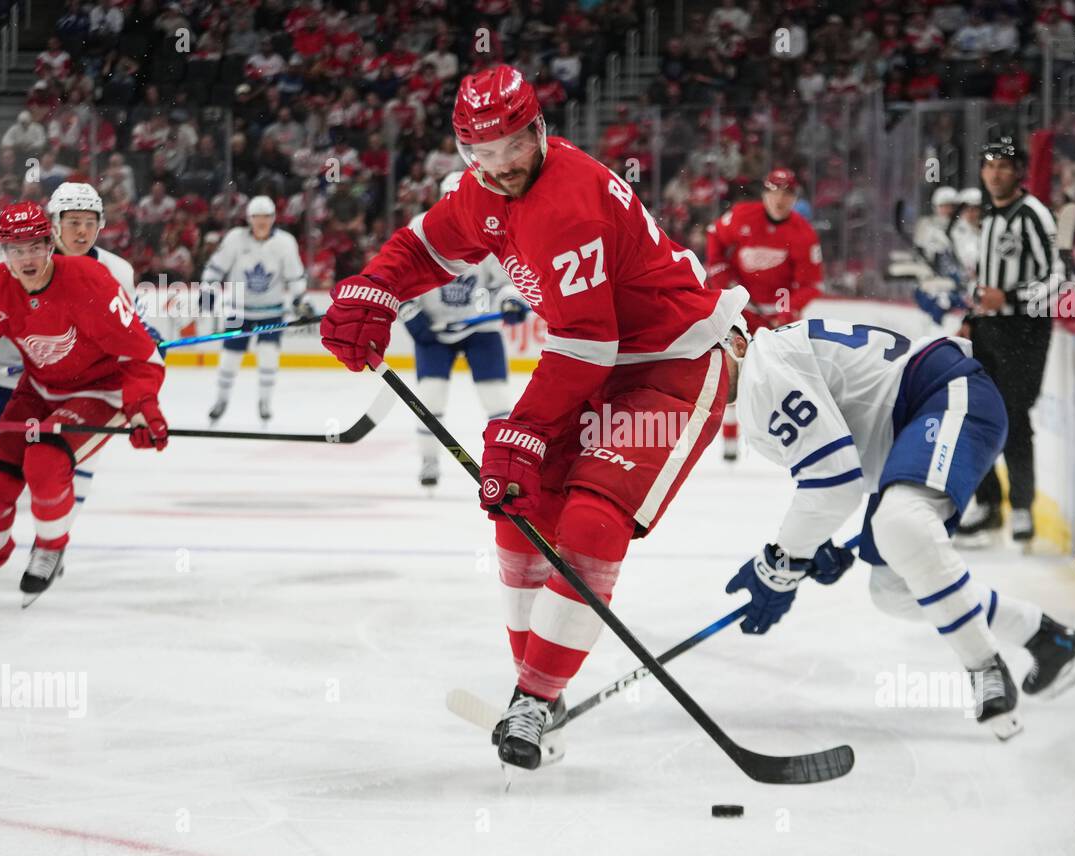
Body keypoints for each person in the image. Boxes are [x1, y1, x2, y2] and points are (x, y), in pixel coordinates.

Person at [318, 65, 745, 771]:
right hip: (602, 362)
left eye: (516, 144)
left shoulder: (567, 203)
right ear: (464, 154)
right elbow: (426, 246)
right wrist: (375, 287)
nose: (504, 164)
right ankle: (536, 694)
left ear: (539, 131)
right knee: (517, 498)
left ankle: (535, 694)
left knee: (592, 518)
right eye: (484, 154)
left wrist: (524, 426)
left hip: (675, 360)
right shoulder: (481, 191)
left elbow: (587, 340)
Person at [718, 315, 1075, 738]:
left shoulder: (762, 372)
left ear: (737, 343)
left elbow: (834, 485)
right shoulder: (770, 367)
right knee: (893, 591)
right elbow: (836, 467)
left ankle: (983, 666)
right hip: (911, 429)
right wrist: (810, 551)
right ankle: (1048, 639)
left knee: (900, 523)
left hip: (946, 396)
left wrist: (782, 564)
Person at [0, 202, 167, 605]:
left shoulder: (89, 281)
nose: (26, 258)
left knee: (45, 462)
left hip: (100, 390)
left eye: (35, 246)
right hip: (40, 387)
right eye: (16, 249)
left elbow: (140, 354)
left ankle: (50, 546)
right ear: (3, 253)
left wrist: (143, 409)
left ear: (50, 245)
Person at [0, 175, 141, 532]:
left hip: (80, 388)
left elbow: (126, 334)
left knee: (69, 462)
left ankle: (55, 542)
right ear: (52, 223)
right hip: (8, 385)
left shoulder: (116, 271)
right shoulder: (1, 259)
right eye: (72, 222)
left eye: (90, 223)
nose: (82, 232)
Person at [958, 138, 1062, 545]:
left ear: (1018, 170)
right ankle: (988, 505)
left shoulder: (1034, 215)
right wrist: (972, 316)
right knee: (978, 414)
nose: (995, 173)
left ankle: (1021, 508)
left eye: (1003, 165)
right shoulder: (989, 216)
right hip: (989, 329)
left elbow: (1058, 277)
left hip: (1025, 330)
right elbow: (987, 279)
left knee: (1013, 416)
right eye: (989, 166)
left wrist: (1013, 298)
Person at [402, 173, 530, 488]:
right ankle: (429, 460)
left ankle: (505, 465)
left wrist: (511, 301)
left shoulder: (491, 227)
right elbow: (400, 281)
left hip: (480, 326)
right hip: (435, 328)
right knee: (430, 398)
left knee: (497, 399)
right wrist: (412, 316)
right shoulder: (419, 230)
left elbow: (507, 280)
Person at [706, 167, 824, 460]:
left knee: (775, 378)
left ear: (795, 198)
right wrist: (718, 268)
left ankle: (777, 440)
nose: (779, 199)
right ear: (764, 193)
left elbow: (811, 284)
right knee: (732, 368)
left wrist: (786, 311)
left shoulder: (803, 234)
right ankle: (730, 440)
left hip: (776, 318)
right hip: (741, 309)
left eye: (786, 193)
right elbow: (714, 236)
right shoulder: (743, 216)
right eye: (774, 192)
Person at [204, 195, 310, 423]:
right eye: (257, 217)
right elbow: (216, 268)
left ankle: (265, 403)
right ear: (249, 218)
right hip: (238, 311)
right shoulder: (235, 239)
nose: (261, 221)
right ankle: (221, 401)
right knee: (229, 360)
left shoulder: (285, 243)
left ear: (273, 218)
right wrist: (208, 291)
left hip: (271, 312)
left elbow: (295, 277)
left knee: (268, 357)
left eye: (266, 217)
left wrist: (298, 300)